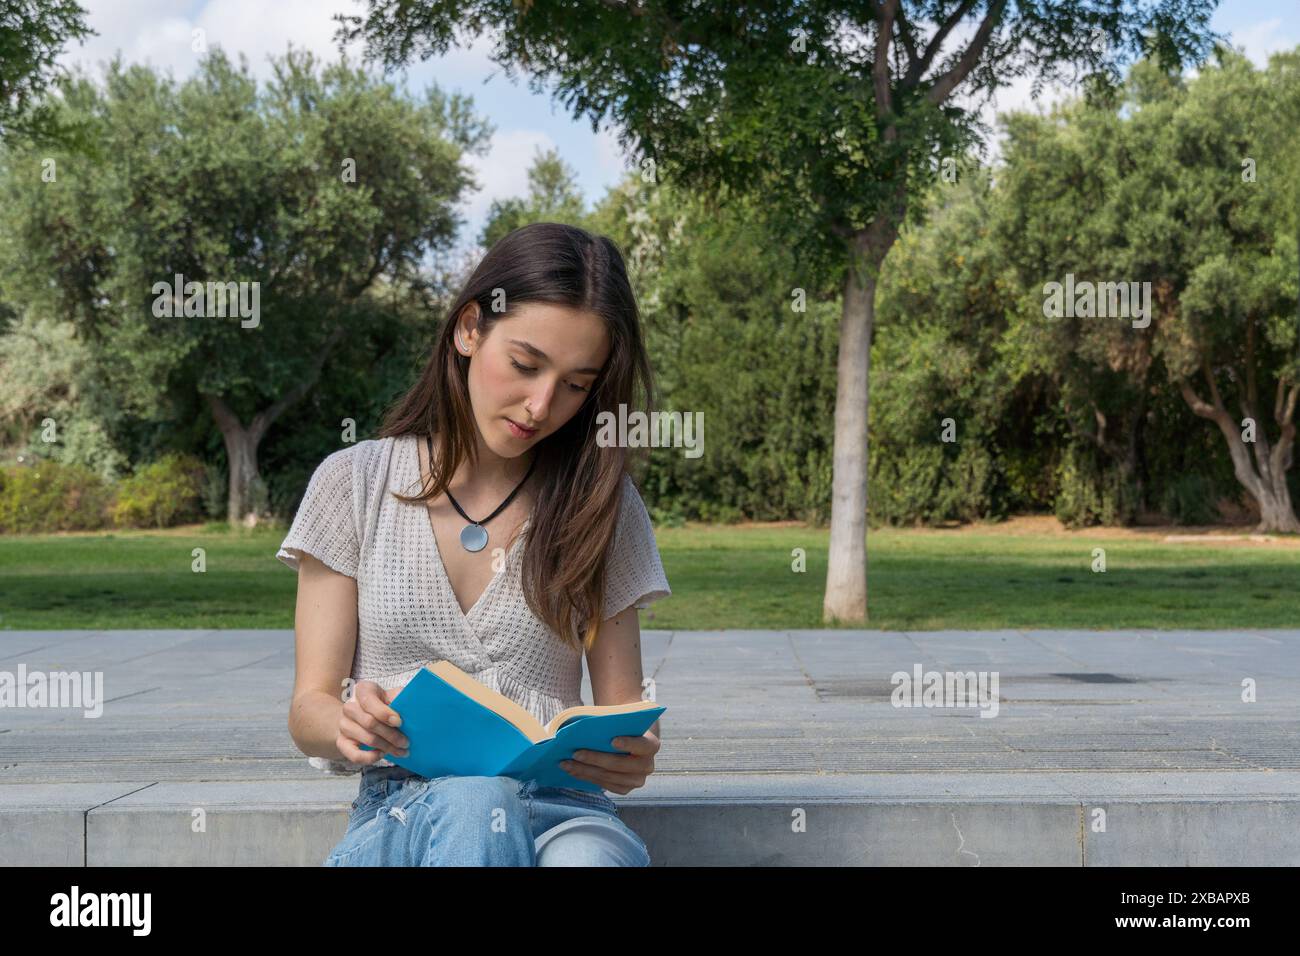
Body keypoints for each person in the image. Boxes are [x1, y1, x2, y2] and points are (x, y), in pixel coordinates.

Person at [277, 222, 672, 866]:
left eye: (576, 385)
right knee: (471, 800)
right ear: (468, 330)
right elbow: (308, 710)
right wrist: (347, 723)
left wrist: (633, 751)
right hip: (407, 812)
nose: (542, 405)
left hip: (564, 810)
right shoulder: (352, 484)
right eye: (525, 364)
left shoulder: (602, 503)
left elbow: (625, 706)